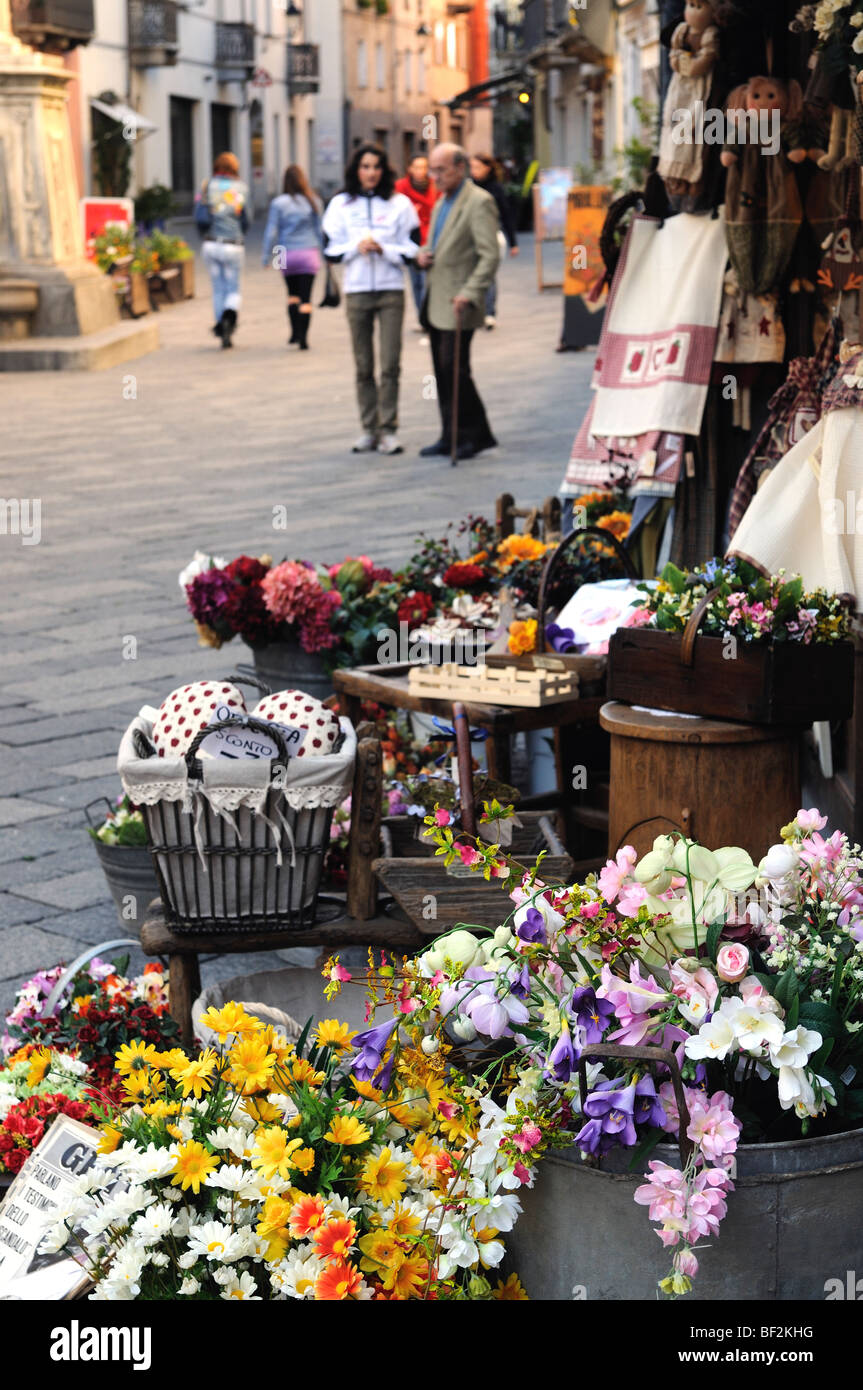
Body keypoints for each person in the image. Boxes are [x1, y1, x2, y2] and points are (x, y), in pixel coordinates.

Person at [322, 143, 420, 455]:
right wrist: (355, 248)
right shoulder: (340, 204)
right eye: (365, 167)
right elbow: (330, 249)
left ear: (384, 170)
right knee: (363, 364)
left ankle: (389, 428)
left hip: (391, 289)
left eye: (376, 167)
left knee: (390, 363)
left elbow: (413, 248)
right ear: (356, 170)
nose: (371, 173)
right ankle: (369, 428)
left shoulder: (399, 204)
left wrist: (385, 250)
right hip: (357, 290)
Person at [416, 143, 500, 461]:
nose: (433, 176)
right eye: (432, 170)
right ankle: (450, 434)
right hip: (436, 299)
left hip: (459, 301)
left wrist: (471, 291)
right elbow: (432, 241)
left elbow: (489, 255)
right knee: (442, 371)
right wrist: (422, 254)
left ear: (460, 168)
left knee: (455, 368)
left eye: (440, 170)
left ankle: (475, 434)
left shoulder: (479, 202)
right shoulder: (442, 202)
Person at [261, 164, 322, 351]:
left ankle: (294, 333)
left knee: (291, 294)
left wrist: (266, 257)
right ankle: (303, 337)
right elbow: (320, 230)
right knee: (306, 298)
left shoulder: (278, 203)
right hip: (309, 252)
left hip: (283, 252)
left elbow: (272, 231)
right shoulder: (313, 201)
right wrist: (327, 254)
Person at [196, 152, 249, 349]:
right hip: (233, 243)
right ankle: (229, 317)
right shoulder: (242, 188)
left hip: (211, 243)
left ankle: (221, 326)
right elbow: (247, 217)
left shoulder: (207, 185)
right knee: (233, 287)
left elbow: (199, 214)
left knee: (218, 288)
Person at [469, 153, 519, 329]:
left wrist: (514, 243)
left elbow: (506, 216)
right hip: (470, 238)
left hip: (491, 236)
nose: (473, 171)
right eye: (472, 167)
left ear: (487, 168)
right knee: (472, 274)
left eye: (477, 167)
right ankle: (477, 312)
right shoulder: (467, 187)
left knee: (488, 275)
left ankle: (489, 313)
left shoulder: (496, 189)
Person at [395, 153, 438, 324]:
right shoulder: (400, 187)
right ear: (410, 169)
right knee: (417, 282)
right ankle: (423, 317)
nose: (421, 171)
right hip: (411, 241)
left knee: (429, 282)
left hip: (431, 240)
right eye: (417, 167)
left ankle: (430, 316)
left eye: (424, 167)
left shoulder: (435, 187)